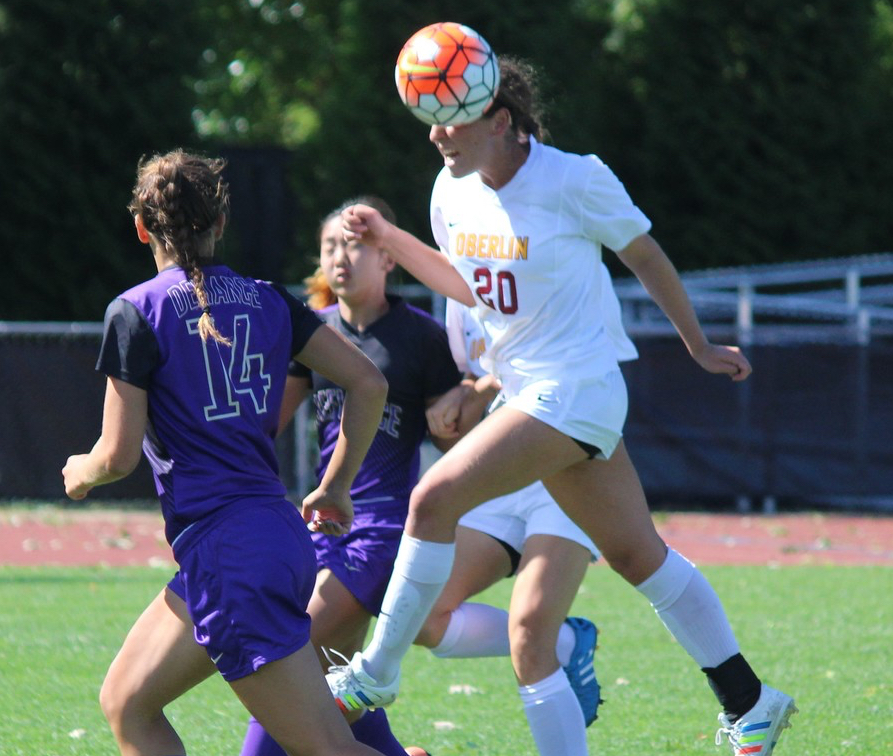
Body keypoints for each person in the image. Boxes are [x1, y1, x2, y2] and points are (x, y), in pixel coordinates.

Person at [323, 57, 798, 755]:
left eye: (450, 120)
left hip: (577, 388)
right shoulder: (450, 191)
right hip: (531, 394)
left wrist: (696, 344)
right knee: (637, 555)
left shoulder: (574, 178)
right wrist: (391, 239)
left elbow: (645, 256)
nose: (435, 135)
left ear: (500, 121)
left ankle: (374, 673)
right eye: (430, 120)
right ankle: (750, 700)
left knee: (432, 499)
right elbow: (468, 285)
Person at [62, 149, 390, 756]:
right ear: (220, 223)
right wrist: (336, 485)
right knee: (128, 703)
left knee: (328, 750)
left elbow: (116, 457)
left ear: (142, 228)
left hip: (228, 554)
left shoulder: (136, 311)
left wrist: (78, 473)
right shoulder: (270, 300)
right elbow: (368, 383)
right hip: (270, 537)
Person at [237, 197, 463, 756]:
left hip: (383, 531)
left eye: (355, 245)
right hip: (321, 528)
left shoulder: (423, 336)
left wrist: (464, 404)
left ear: (388, 257)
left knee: (290, 655)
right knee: (330, 674)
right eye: (330, 246)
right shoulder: (315, 336)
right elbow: (263, 426)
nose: (341, 257)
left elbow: (456, 444)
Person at [404, 296, 606, 756]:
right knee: (423, 617)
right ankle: (569, 641)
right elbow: (476, 383)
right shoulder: (456, 293)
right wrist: (454, 405)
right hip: (500, 476)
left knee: (530, 638)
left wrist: (477, 389)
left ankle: (743, 694)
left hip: (566, 467)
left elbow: (547, 364)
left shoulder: (546, 266)